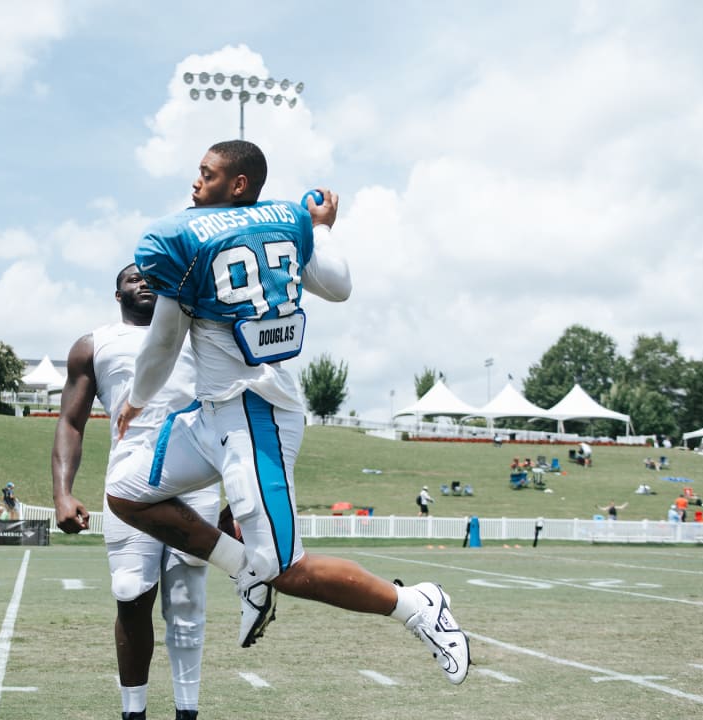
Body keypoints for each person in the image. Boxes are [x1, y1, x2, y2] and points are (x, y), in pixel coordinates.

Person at [106, 139, 469, 686]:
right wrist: (321, 228)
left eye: (206, 174)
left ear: (239, 184)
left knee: (289, 570)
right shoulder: (285, 225)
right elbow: (339, 287)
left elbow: (163, 342)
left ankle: (416, 604)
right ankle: (245, 569)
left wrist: (136, 399)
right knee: (126, 493)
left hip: (256, 418)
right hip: (214, 415)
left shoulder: (186, 244)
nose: (194, 183)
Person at [53, 263, 221, 720]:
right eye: (132, 278)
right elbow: (71, 421)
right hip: (130, 481)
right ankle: (134, 713)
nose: (144, 281)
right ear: (117, 293)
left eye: (151, 276)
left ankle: (188, 711)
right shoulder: (93, 344)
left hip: (195, 481)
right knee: (130, 593)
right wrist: (62, 493)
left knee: (187, 603)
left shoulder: (198, 332)